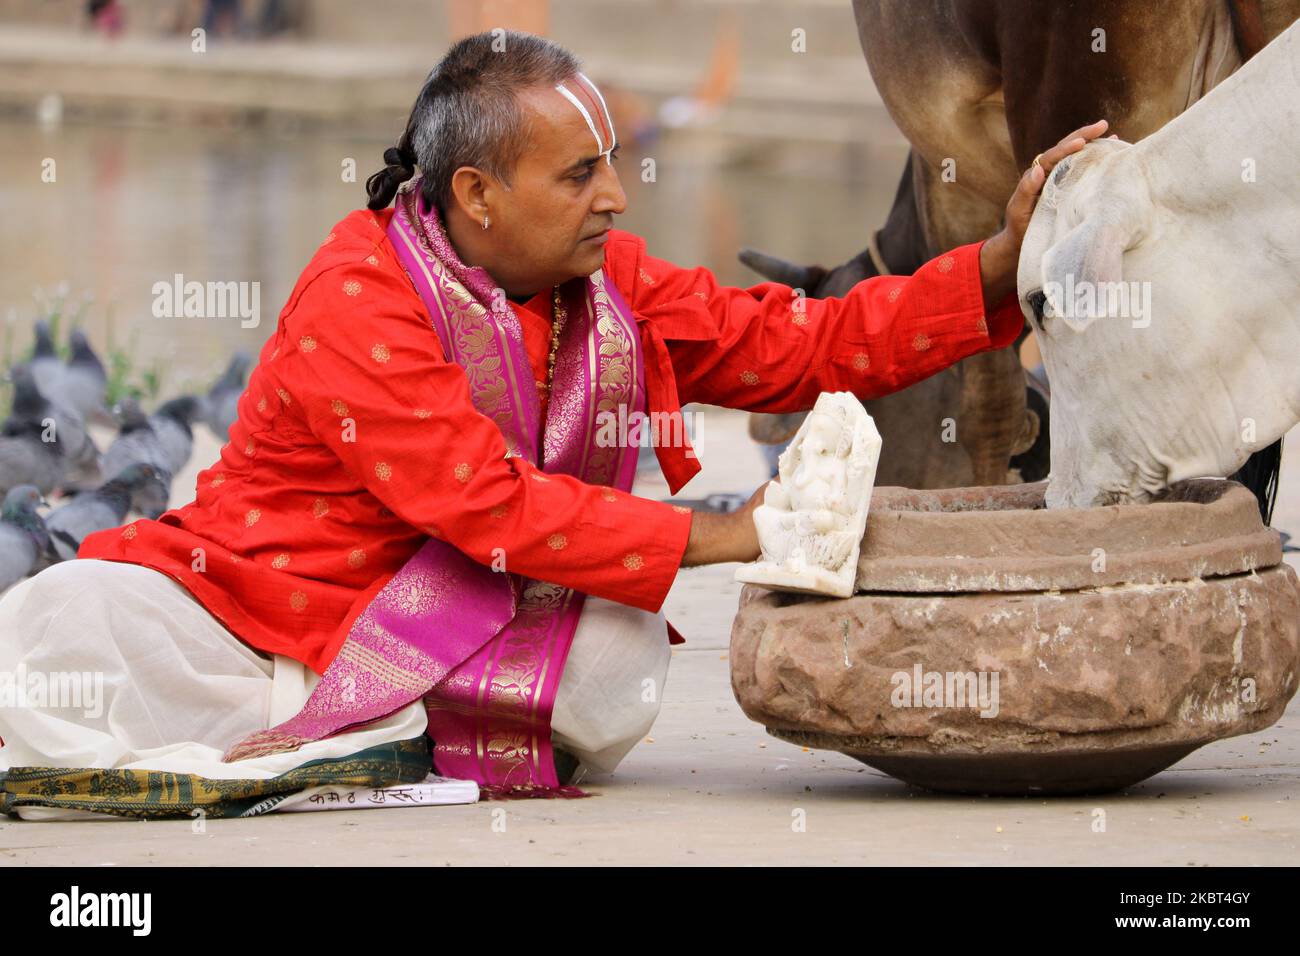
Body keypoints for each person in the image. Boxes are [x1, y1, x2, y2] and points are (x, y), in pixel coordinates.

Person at [0, 30, 1108, 815]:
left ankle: (363, 728)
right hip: (252, 599)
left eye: (611, 166)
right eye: (581, 174)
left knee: (615, 666)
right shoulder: (359, 295)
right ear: (476, 194)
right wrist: (732, 533)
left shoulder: (607, 279)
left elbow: (795, 345)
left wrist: (998, 273)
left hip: (459, 607)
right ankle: (347, 721)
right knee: (62, 623)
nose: (616, 197)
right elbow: (481, 502)